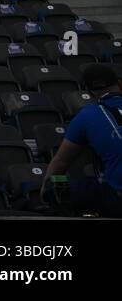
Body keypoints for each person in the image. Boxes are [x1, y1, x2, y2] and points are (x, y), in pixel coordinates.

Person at [42, 64, 122, 217]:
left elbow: (61, 162)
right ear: (119, 83)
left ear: (89, 93)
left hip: (117, 199)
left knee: (56, 184)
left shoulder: (87, 115)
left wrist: (44, 191)